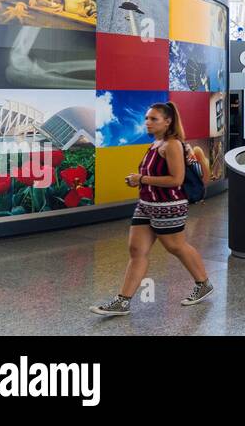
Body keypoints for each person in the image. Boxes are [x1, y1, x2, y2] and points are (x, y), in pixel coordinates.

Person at [90, 102, 213, 315]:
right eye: (146, 118)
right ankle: (123, 301)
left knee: (176, 247)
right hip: (146, 205)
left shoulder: (172, 145)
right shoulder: (156, 144)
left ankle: (203, 284)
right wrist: (140, 181)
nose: (147, 122)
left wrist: (142, 179)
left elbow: (176, 179)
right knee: (137, 251)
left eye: (153, 119)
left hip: (168, 206)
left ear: (168, 122)